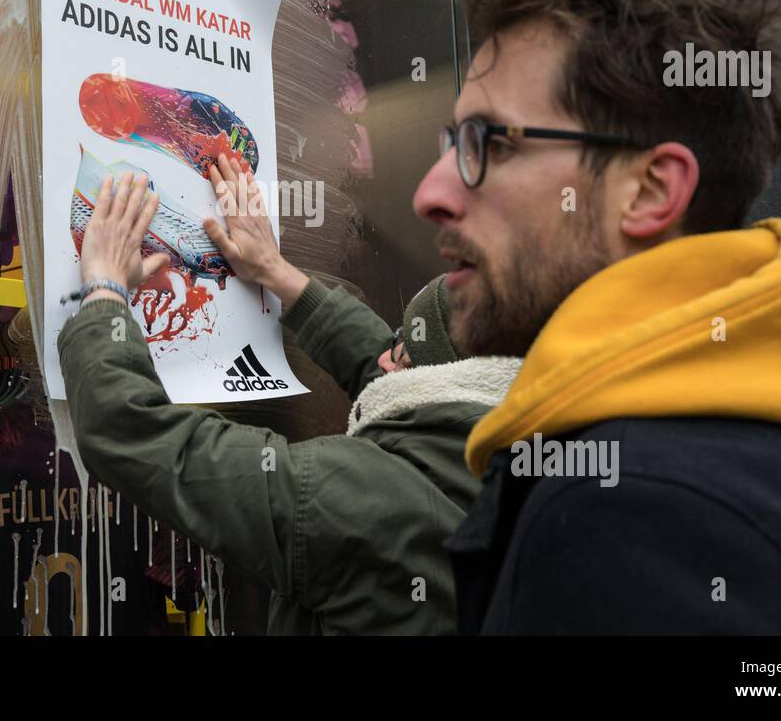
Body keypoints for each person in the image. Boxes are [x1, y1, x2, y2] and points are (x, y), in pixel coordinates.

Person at [411, 0, 781, 633]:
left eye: (489, 144)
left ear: (652, 190)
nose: (430, 193)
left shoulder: (635, 513)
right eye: (452, 144)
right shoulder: (726, 453)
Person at [57, 158, 521, 634]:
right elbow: (400, 381)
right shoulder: (525, 461)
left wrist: (104, 288)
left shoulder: (344, 497)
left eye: (401, 353)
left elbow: (127, 429)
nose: (384, 358)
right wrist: (276, 272)